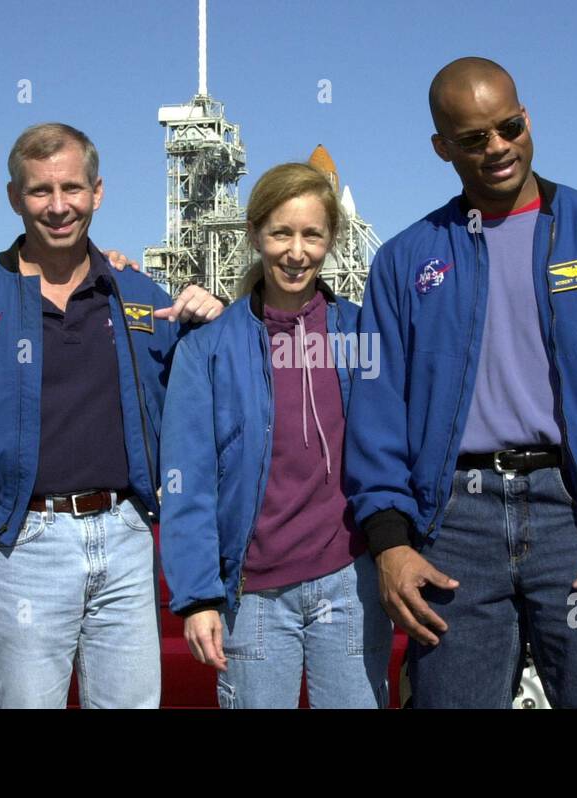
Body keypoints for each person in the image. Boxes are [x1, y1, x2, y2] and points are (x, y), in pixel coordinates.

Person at [344, 57, 577, 708]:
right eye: (473, 138)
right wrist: (390, 543)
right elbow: (377, 411)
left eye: (509, 126)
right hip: (454, 527)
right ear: (441, 147)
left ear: (526, 117)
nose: (498, 147)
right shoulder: (405, 261)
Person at [0, 122, 222, 708]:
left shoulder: (141, 296)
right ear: (13, 197)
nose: (59, 207)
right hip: (22, 547)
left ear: (97, 192)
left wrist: (217, 319)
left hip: (128, 540)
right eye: (40, 192)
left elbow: (200, 407)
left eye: (73, 189)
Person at [160, 162, 392, 709]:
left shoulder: (361, 334)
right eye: (281, 233)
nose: (296, 251)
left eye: (312, 234)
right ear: (255, 234)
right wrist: (197, 598)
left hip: (349, 583)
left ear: (332, 239)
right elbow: (187, 481)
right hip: (255, 593)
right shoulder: (207, 349)